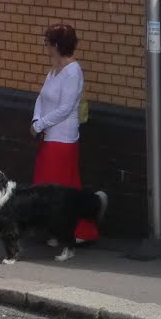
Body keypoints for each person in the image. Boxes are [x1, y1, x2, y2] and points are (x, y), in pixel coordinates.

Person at [31, 23, 99, 243]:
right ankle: (59, 230)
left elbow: (66, 108)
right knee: (51, 186)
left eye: (48, 43)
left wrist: (41, 124)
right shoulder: (54, 71)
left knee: (61, 188)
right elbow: (41, 98)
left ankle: (79, 231)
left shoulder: (72, 72)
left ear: (58, 45)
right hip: (49, 137)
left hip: (63, 139)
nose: (46, 47)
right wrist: (36, 120)